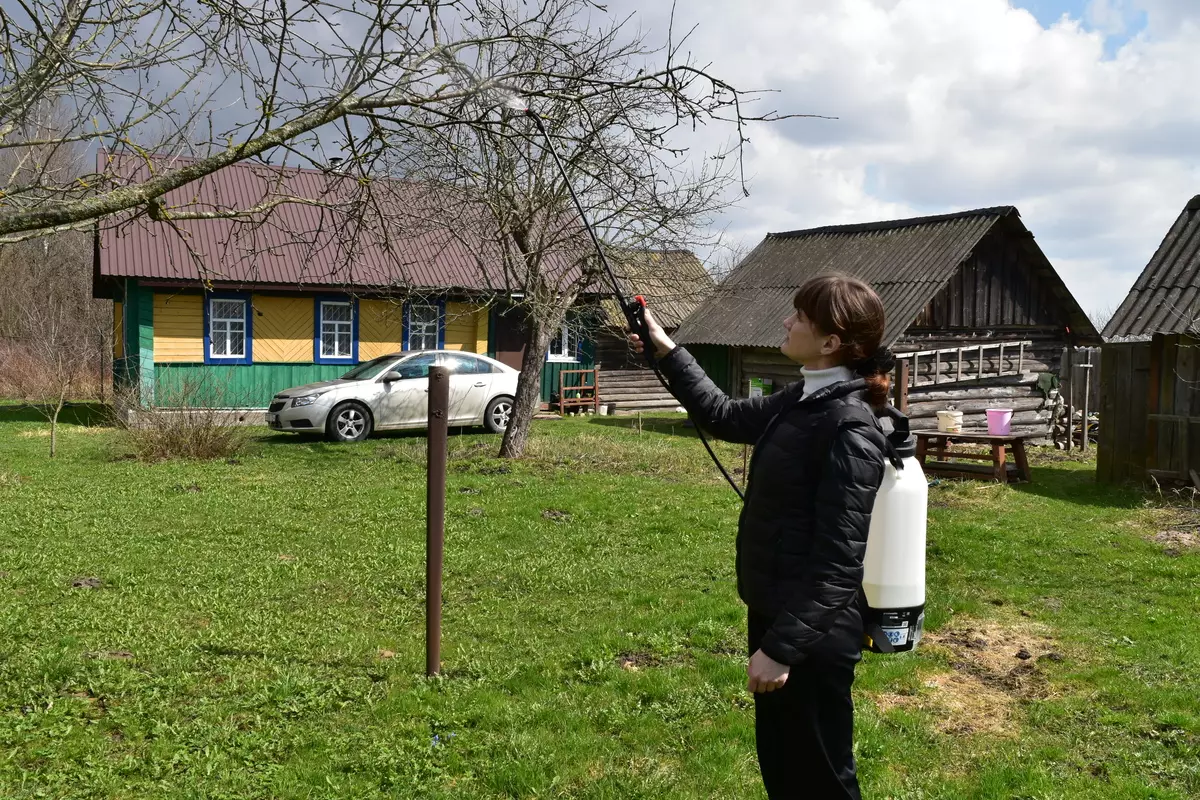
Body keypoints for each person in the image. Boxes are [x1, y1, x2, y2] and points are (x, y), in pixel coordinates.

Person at [629, 274, 895, 799]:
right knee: (784, 772)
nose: (786, 321)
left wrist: (782, 649)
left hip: (812, 636)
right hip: (779, 612)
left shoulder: (849, 429)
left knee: (821, 781)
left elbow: (839, 564)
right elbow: (720, 414)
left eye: (799, 316)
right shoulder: (803, 400)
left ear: (830, 342)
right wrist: (665, 347)